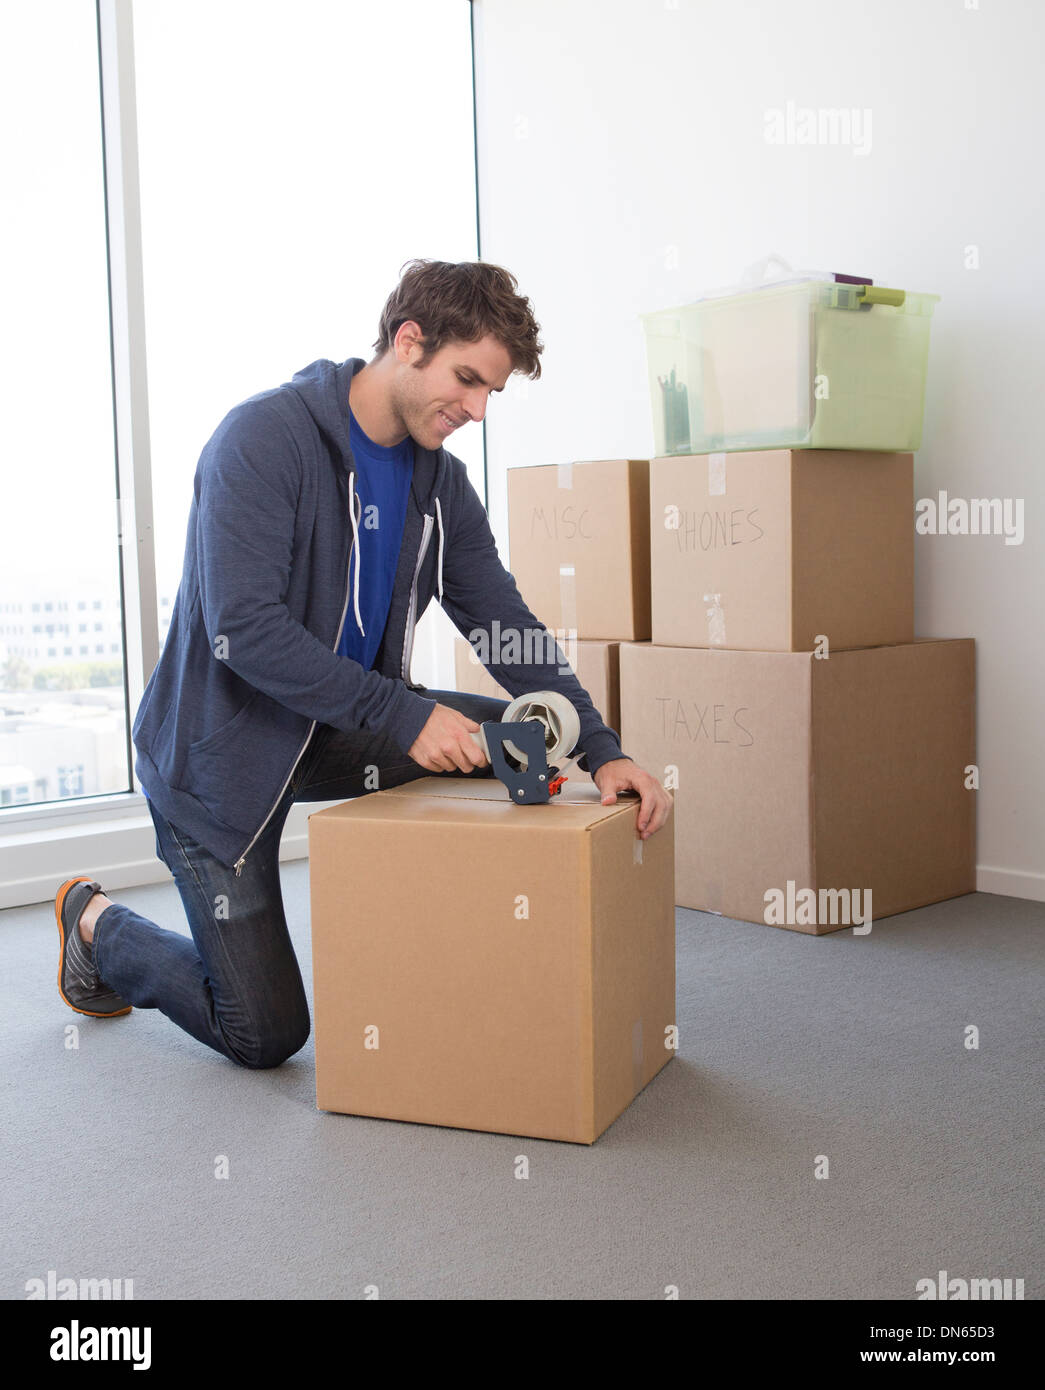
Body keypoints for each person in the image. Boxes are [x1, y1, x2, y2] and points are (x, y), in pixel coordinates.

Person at [54, 258, 673, 1067]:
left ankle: (474, 959)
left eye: (492, 391)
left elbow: (502, 623)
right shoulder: (261, 440)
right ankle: (98, 926)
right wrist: (403, 715)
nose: (478, 409)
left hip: (333, 729)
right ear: (408, 341)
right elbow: (242, 630)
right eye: (467, 379)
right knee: (265, 1035)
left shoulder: (439, 485)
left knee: (525, 739)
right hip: (219, 759)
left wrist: (601, 747)